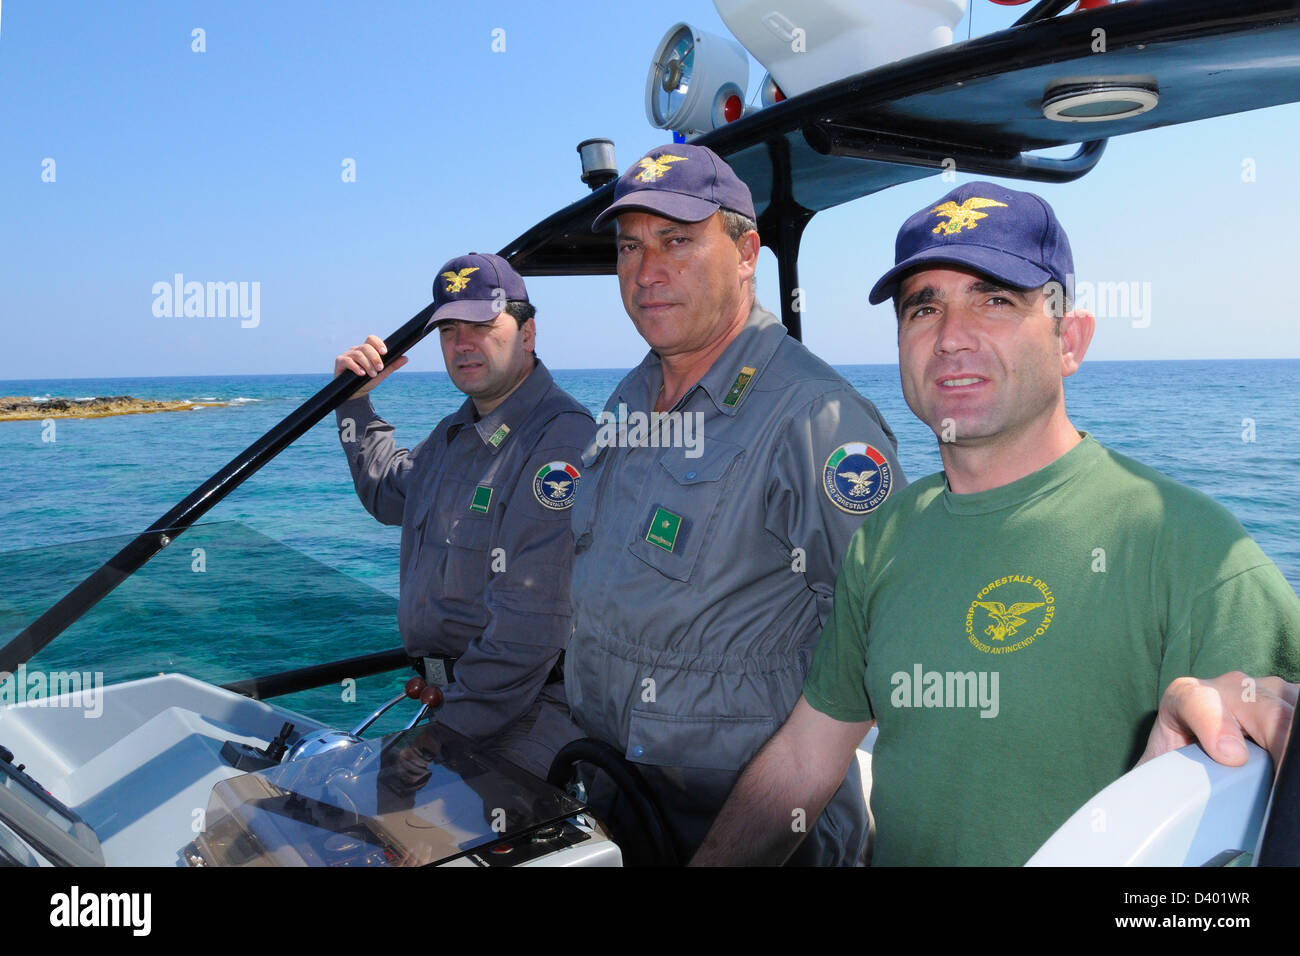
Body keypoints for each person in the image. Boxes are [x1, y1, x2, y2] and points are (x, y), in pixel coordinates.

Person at [690, 181, 1300, 866]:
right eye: (924, 307)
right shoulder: (884, 538)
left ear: (1070, 340)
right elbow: (806, 757)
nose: (951, 337)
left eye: (996, 300)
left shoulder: (1203, 558)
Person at [563, 143, 906, 865]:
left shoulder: (815, 418)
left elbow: (884, 642)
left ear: (747, 253)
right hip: (620, 799)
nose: (646, 272)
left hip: (752, 833)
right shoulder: (631, 394)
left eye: (677, 241)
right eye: (630, 246)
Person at [333, 252, 595, 779]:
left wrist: (440, 736)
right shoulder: (456, 434)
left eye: (482, 326)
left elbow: (529, 627)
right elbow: (387, 492)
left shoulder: (558, 439)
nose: (462, 344)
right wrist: (353, 403)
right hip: (454, 702)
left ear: (527, 334)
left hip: (524, 713)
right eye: (449, 330)